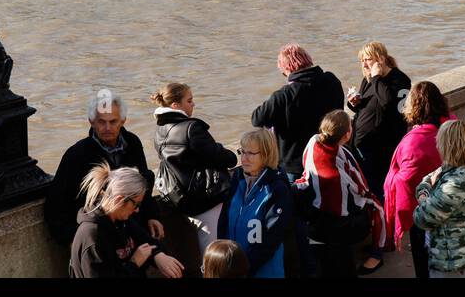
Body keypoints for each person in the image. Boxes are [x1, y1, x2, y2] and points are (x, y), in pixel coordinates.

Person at [46, 90, 163, 249]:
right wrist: (72, 239)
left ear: (123, 120)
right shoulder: (76, 155)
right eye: (101, 122)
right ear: (91, 121)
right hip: (99, 234)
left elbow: (141, 185)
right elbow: (56, 202)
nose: (107, 127)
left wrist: (151, 216)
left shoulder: (133, 143)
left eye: (113, 121)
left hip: (134, 227)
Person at [149, 81, 237, 273]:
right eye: (189, 101)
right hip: (205, 200)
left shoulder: (159, 131)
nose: (193, 104)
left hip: (180, 199)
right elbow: (222, 157)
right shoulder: (191, 128)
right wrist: (229, 153)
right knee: (213, 254)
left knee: (206, 252)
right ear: (175, 105)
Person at [295, 110, 389, 278]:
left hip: (314, 221)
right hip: (337, 226)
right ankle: (376, 254)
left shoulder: (313, 142)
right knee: (343, 265)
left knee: (321, 266)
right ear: (347, 136)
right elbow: (361, 189)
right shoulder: (340, 172)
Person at [382, 81, 453, 278]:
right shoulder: (452, 124)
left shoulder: (414, 141)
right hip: (451, 203)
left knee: (424, 262)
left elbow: (405, 181)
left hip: (425, 212)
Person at [69, 165, 184, 279]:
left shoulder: (120, 219)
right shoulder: (92, 237)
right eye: (136, 204)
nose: (137, 210)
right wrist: (134, 263)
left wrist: (158, 255)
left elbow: (145, 239)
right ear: (119, 200)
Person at [412, 120, 465, 278]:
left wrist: (423, 197)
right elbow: (430, 178)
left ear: (448, 145)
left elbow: (421, 217)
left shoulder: (454, 185)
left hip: (453, 263)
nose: (437, 145)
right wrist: (426, 187)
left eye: (439, 141)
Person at [251, 44, 344, 178]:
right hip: (329, 154)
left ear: (286, 69)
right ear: (307, 59)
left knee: (297, 197)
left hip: (295, 164)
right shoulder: (331, 80)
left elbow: (257, 118)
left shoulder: (285, 94)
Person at [217, 128, 297, 278]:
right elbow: (224, 220)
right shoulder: (237, 178)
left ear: (266, 155)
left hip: (263, 270)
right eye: (242, 152)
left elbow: (271, 238)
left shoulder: (277, 189)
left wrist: (245, 268)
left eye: (251, 153)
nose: (244, 159)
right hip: (233, 266)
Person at [347, 41, 412, 201]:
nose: (364, 64)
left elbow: (389, 104)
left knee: (378, 189)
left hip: (380, 147)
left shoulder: (400, 80)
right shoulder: (367, 79)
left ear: (381, 59)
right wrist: (354, 103)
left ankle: (384, 219)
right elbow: (368, 108)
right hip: (360, 144)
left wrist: (376, 78)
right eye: (362, 60)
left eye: (368, 59)